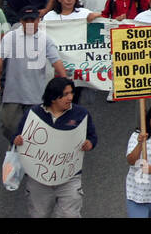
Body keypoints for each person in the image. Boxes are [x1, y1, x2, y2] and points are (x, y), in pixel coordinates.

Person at [10, 76, 96, 218]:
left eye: (71, 93)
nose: (70, 97)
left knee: (70, 215)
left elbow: (92, 137)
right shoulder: (33, 114)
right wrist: (17, 139)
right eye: (65, 94)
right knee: (39, 215)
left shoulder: (81, 114)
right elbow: (18, 135)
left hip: (69, 177)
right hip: (38, 179)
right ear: (53, 97)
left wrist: (89, 143)